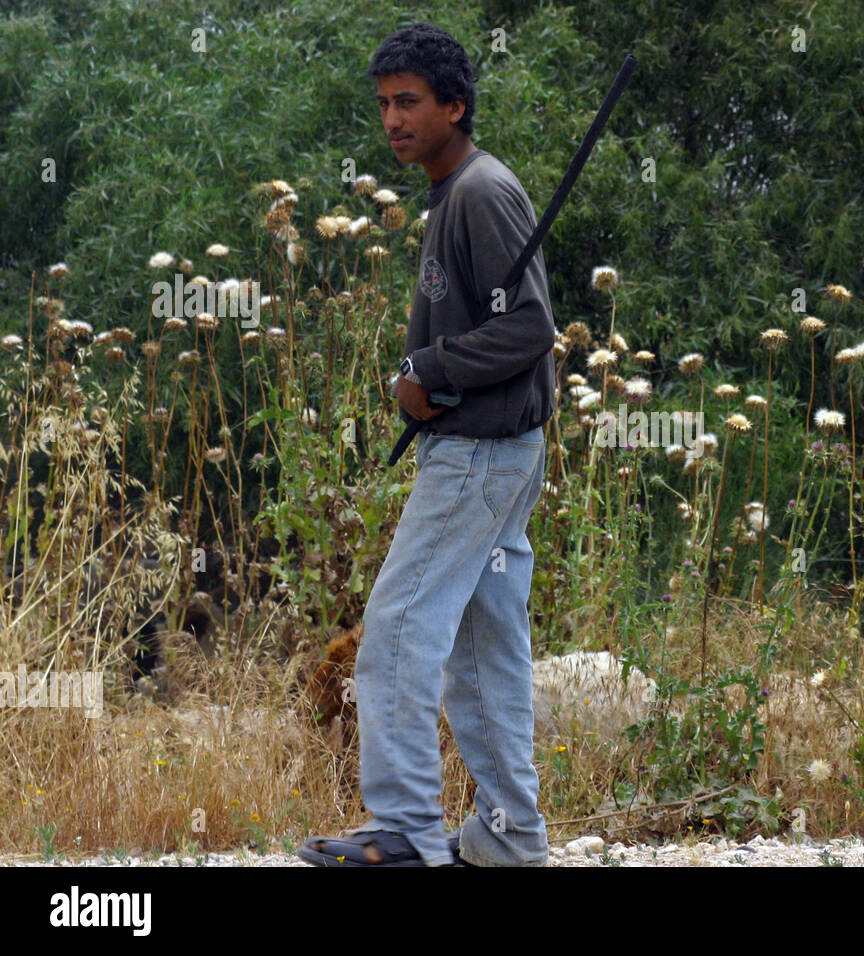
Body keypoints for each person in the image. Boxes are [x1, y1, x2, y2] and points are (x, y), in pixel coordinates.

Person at [299, 22, 555, 868]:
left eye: (410, 102)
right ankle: (510, 837)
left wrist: (429, 371)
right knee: (482, 652)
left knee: (399, 631)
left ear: (455, 104)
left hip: (479, 457)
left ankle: (405, 829)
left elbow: (529, 328)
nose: (393, 120)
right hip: (499, 455)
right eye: (383, 105)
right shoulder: (457, 190)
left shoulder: (480, 191)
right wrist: (432, 375)